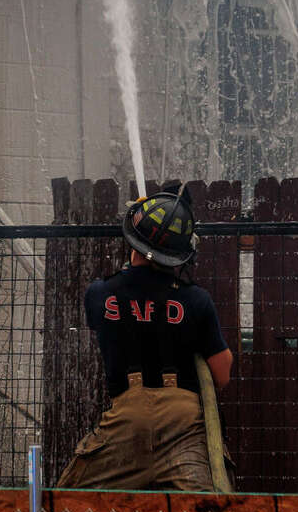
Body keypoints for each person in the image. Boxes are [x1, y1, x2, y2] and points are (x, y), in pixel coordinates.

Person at [56, 183, 233, 492]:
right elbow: (221, 374)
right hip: (184, 427)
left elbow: (127, 320)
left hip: (127, 421)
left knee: (66, 505)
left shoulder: (100, 294)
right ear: (181, 254)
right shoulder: (197, 301)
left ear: (132, 239)